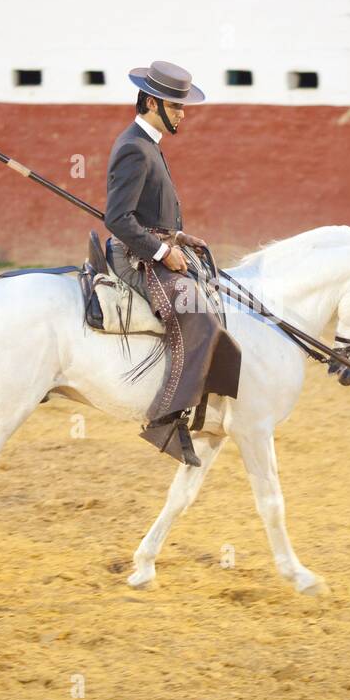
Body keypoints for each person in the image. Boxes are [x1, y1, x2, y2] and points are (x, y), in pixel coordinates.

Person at [103, 61, 242, 467]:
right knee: (199, 315)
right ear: (150, 102)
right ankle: (167, 416)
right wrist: (163, 252)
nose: (182, 113)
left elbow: (147, 213)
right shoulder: (134, 147)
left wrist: (178, 238)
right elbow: (119, 219)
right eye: (175, 105)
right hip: (136, 258)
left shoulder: (147, 143)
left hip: (153, 248)